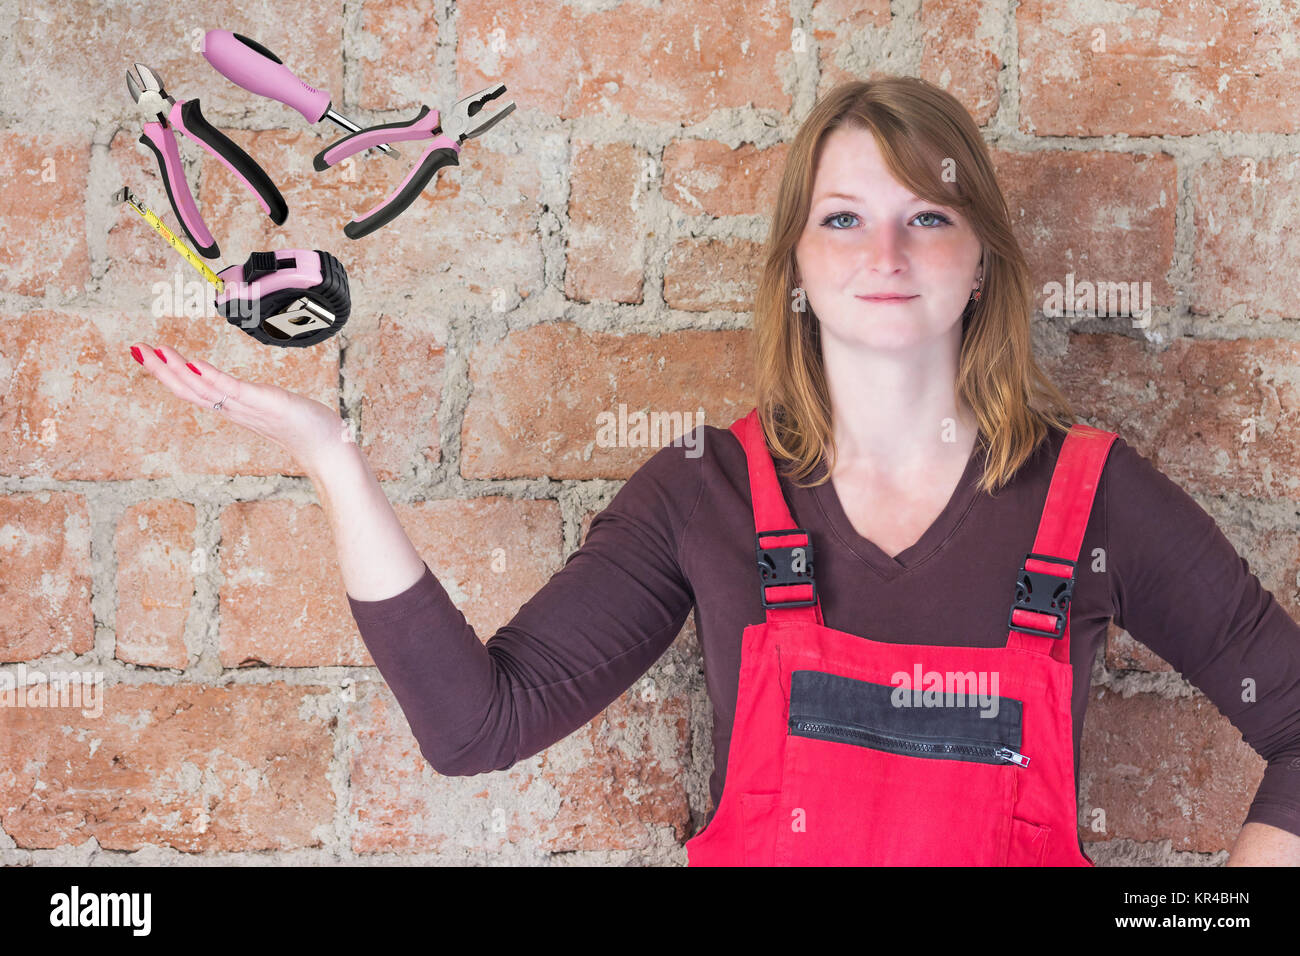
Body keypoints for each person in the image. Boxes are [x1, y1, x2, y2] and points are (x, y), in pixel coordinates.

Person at [128, 76, 1300, 865]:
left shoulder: (1092, 500)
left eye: (927, 217)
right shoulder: (706, 491)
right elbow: (475, 724)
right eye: (842, 219)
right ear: (795, 260)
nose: (885, 252)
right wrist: (333, 458)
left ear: (982, 258)